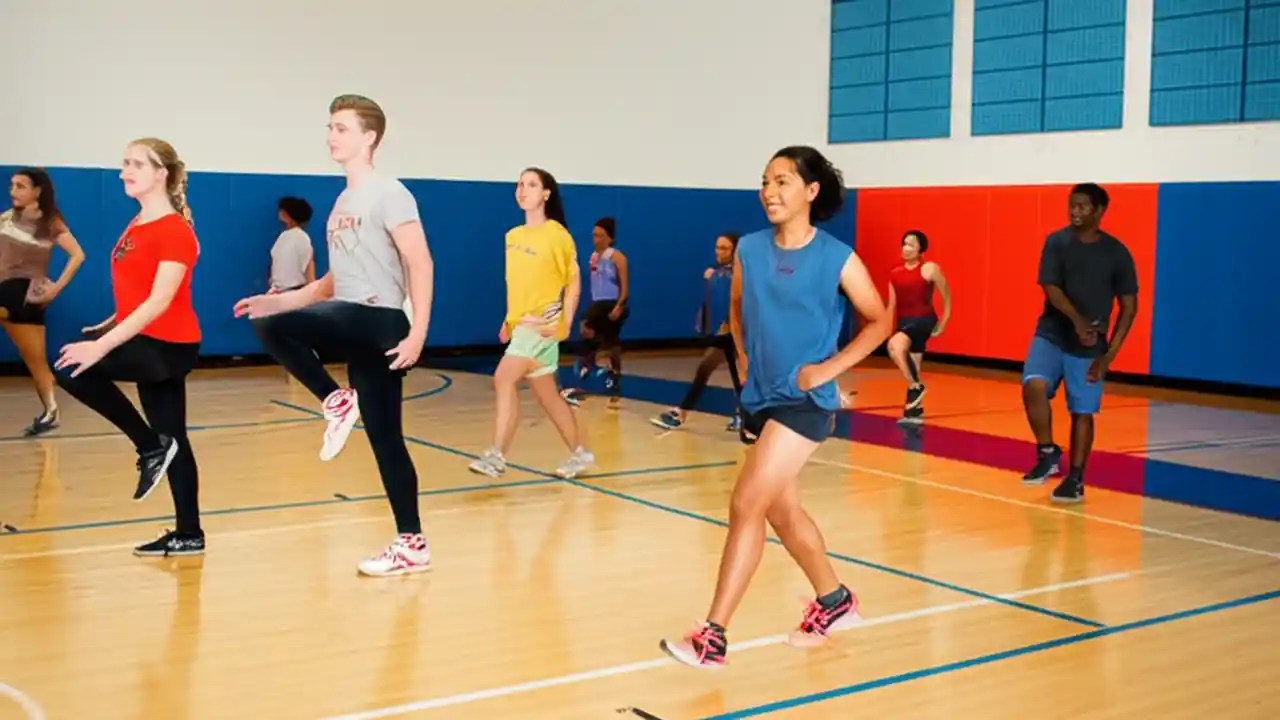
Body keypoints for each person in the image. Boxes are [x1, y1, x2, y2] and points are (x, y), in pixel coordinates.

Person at [659, 145, 891, 669]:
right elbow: (738, 313)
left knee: (746, 505)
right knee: (783, 511)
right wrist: (747, 370)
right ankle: (835, 602)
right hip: (760, 399)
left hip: (804, 403)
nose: (769, 191)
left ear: (810, 191)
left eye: (783, 181)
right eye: (765, 181)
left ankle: (712, 636)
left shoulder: (837, 257)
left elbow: (879, 321)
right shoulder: (750, 250)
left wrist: (826, 372)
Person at [234, 94, 435, 576]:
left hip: (380, 321)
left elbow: (420, 262)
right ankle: (412, 542)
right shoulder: (343, 202)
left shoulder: (391, 193)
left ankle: (334, 399)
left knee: (273, 331)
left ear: (369, 138)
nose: (331, 135)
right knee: (386, 439)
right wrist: (279, 301)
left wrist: (418, 334)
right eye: (329, 127)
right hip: (351, 315)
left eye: (341, 128)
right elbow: (330, 282)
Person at [53, 138, 205, 556]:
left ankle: (149, 447)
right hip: (147, 337)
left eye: (136, 164)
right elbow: (138, 293)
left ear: (162, 174)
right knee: (176, 436)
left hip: (168, 345)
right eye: (124, 163)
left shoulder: (174, 230)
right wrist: (111, 321)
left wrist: (101, 346)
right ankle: (189, 533)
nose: (125, 171)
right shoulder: (138, 222)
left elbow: (160, 300)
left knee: (69, 367)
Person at [468, 167, 594, 480]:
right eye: (520, 184)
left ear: (546, 194)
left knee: (503, 378)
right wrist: (508, 320)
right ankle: (580, 453)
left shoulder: (558, 235)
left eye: (531, 184)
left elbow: (573, 284)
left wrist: (565, 324)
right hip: (521, 325)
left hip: (543, 324)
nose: (523, 190)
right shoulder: (512, 236)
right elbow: (518, 283)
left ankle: (496, 455)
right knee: (547, 395)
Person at [1021, 183, 1137, 504]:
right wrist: (1077, 320)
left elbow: (1129, 307)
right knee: (1033, 386)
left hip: (1090, 347)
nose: (1075, 211)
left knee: (1082, 413)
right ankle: (1047, 451)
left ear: (1100, 211)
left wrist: (1108, 356)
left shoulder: (1117, 253)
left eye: (1083, 207)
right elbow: (1050, 286)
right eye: (1072, 205)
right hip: (1052, 334)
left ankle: (1075, 479)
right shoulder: (1057, 242)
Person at [1, 168, 86, 436]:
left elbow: (77, 255)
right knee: (35, 361)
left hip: (22, 292)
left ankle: (51, 412)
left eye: (21, 186)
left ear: (37, 191)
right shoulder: (6, 217)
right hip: (9, 291)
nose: (13, 190)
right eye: (12, 185)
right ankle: (51, 412)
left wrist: (54, 291)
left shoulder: (49, 221)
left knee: (36, 360)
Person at [649, 232, 743, 433]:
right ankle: (682, 412)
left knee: (739, 374)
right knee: (706, 367)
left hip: (741, 332)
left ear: (735, 251)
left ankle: (745, 415)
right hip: (724, 333)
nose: (719, 252)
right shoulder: (717, 273)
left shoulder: (739, 274)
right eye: (717, 247)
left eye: (724, 248)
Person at [563, 217, 629, 409]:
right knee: (602, 336)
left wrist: (620, 305)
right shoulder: (593, 257)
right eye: (594, 235)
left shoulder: (617, 257)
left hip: (612, 303)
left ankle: (597, 366)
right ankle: (602, 368)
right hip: (598, 303)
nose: (596, 239)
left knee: (597, 332)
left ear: (610, 238)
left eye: (600, 236)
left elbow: (624, 285)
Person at [886, 229, 950, 425]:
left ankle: (916, 386)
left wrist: (944, 321)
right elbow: (892, 306)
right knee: (912, 363)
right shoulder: (894, 274)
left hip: (923, 319)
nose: (906, 248)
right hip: (904, 322)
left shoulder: (929, 268)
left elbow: (946, 296)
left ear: (921, 249)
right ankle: (915, 410)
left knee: (895, 347)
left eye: (911, 244)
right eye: (904, 244)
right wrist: (888, 328)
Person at [268, 196, 315, 293]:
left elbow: (308, 269)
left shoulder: (302, 238)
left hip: (293, 293)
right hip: (278, 292)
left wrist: (311, 296)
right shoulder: (283, 236)